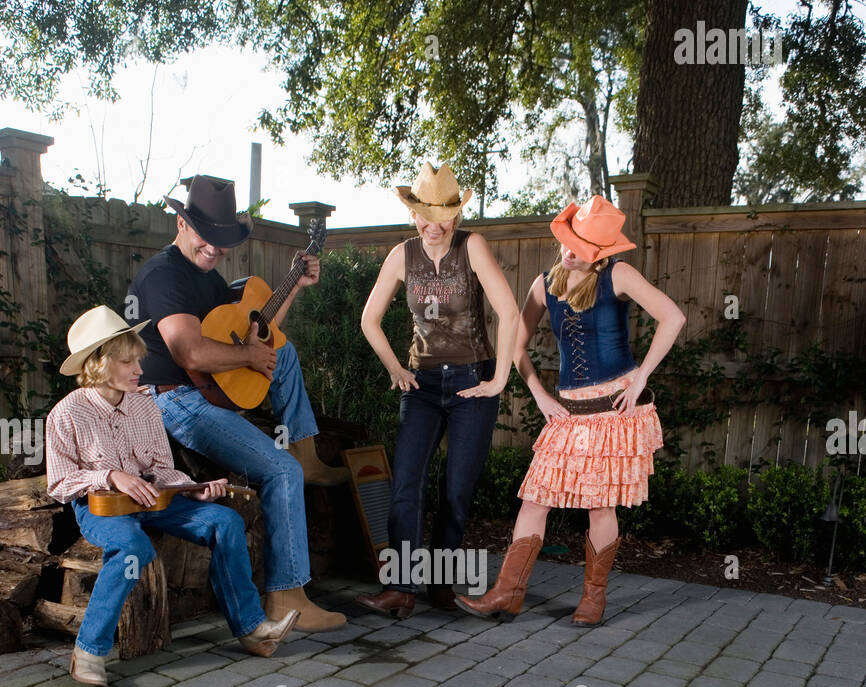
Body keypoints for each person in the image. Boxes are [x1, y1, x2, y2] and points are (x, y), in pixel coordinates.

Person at [126, 175, 347, 632]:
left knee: (281, 351)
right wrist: (248, 355)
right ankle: (287, 597)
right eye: (208, 237)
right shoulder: (165, 274)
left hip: (205, 389)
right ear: (182, 224)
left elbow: (259, 331)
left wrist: (295, 286)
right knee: (278, 469)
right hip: (172, 400)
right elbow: (190, 353)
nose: (215, 248)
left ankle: (305, 452)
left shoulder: (205, 277)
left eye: (224, 241)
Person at [457, 195, 685, 624]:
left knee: (599, 507)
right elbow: (516, 346)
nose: (570, 253)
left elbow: (672, 317)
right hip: (568, 415)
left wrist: (641, 379)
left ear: (599, 254)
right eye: (568, 242)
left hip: (613, 415)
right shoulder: (543, 285)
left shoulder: (618, 274)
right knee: (533, 500)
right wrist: (540, 395)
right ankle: (507, 593)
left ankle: (593, 598)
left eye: (582, 249)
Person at [45, 307, 300, 686]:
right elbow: (60, 484)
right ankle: (89, 652)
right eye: (127, 361)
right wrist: (111, 476)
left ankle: (252, 630)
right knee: (133, 549)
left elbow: (162, 470)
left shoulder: (145, 404)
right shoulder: (66, 414)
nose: (139, 370)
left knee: (226, 521)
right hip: (102, 508)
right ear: (99, 364)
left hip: (156, 500)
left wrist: (195, 490)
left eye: (139, 360)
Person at [356, 161, 520, 617]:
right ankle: (401, 589)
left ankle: (443, 585)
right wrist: (395, 368)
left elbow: (509, 314)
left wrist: (499, 379)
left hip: (472, 380)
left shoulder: (474, 247)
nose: (432, 225)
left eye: (441, 215)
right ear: (414, 216)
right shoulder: (400, 256)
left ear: (456, 215)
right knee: (406, 484)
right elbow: (369, 320)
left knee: (456, 490)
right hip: (422, 384)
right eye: (423, 215)